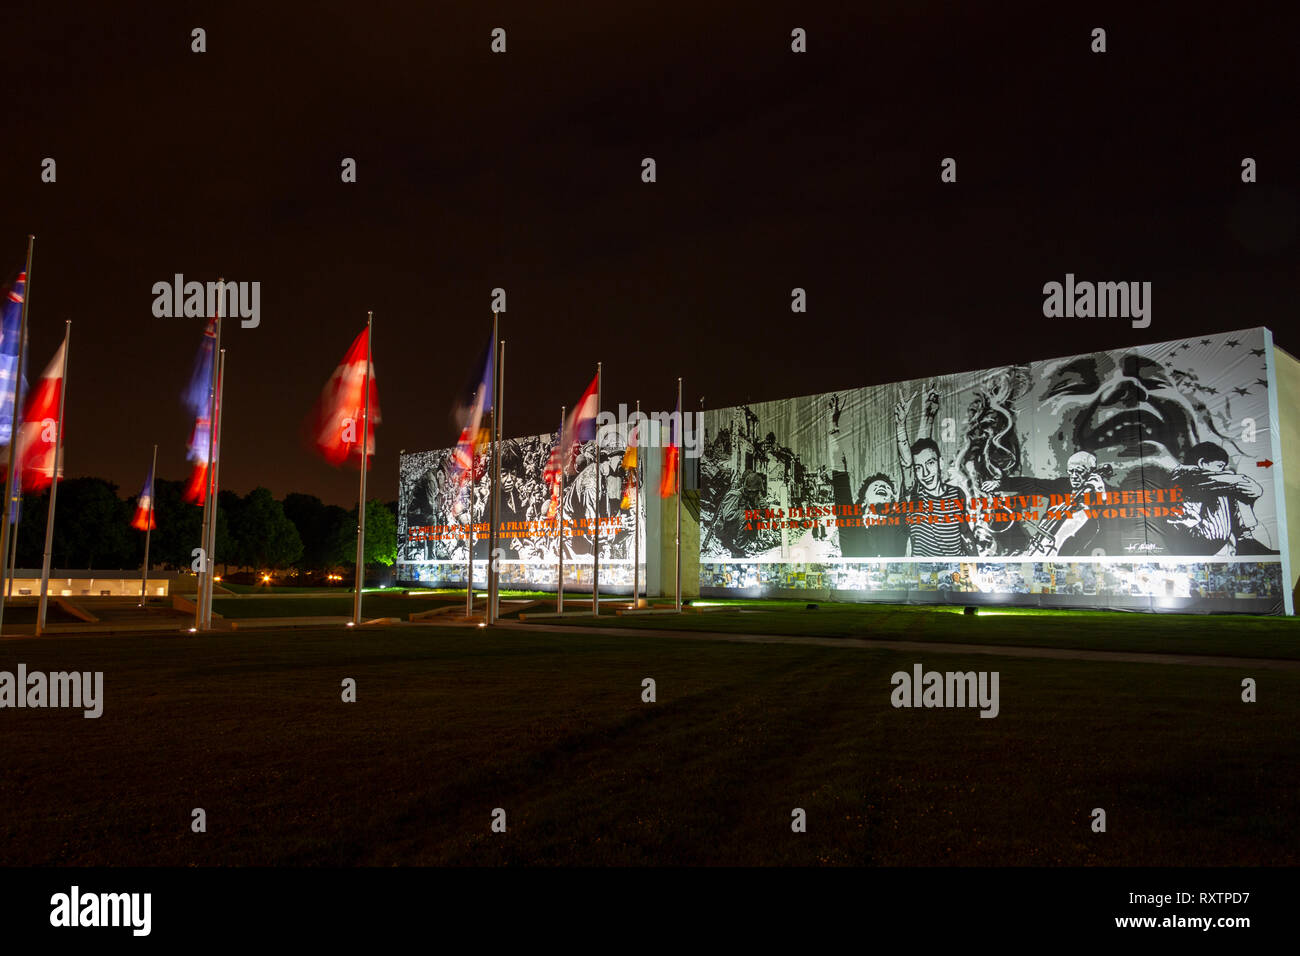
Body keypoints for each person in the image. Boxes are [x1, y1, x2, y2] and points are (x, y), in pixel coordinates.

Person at [896, 391, 974, 556]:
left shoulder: (957, 494)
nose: (924, 473)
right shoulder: (915, 496)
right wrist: (901, 425)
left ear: (940, 463)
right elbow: (907, 463)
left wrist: (976, 562)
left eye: (930, 464)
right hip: (923, 572)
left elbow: (965, 533)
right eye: (918, 468)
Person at [1165, 442, 1273, 555]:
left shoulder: (1206, 480)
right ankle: (1245, 540)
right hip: (1186, 539)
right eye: (1219, 466)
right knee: (1226, 489)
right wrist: (1241, 482)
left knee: (1226, 489)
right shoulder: (1184, 473)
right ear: (1202, 463)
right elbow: (1243, 485)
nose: (1221, 471)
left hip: (1200, 538)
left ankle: (1245, 538)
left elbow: (1248, 488)